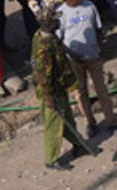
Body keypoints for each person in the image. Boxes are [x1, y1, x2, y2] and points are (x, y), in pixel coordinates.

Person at [31, 17, 92, 171]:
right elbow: (43, 75)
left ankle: (78, 145)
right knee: (54, 125)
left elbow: (61, 48)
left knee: (68, 119)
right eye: (55, 20)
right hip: (51, 91)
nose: (59, 22)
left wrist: (75, 55)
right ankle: (51, 159)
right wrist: (48, 97)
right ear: (48, 23)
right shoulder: (43, 47)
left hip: (60, 86)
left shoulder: (47, 36)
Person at [57, 0, 117, 133]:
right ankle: (90, 122)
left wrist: (99, 47)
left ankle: (111, 122)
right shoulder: (61, 13)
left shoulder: (90, 6)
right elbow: (58, 40)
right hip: (74, 60)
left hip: (93, 56)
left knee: (101, 89)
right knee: (81, 92)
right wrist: (71, 54)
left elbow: (98, 28)